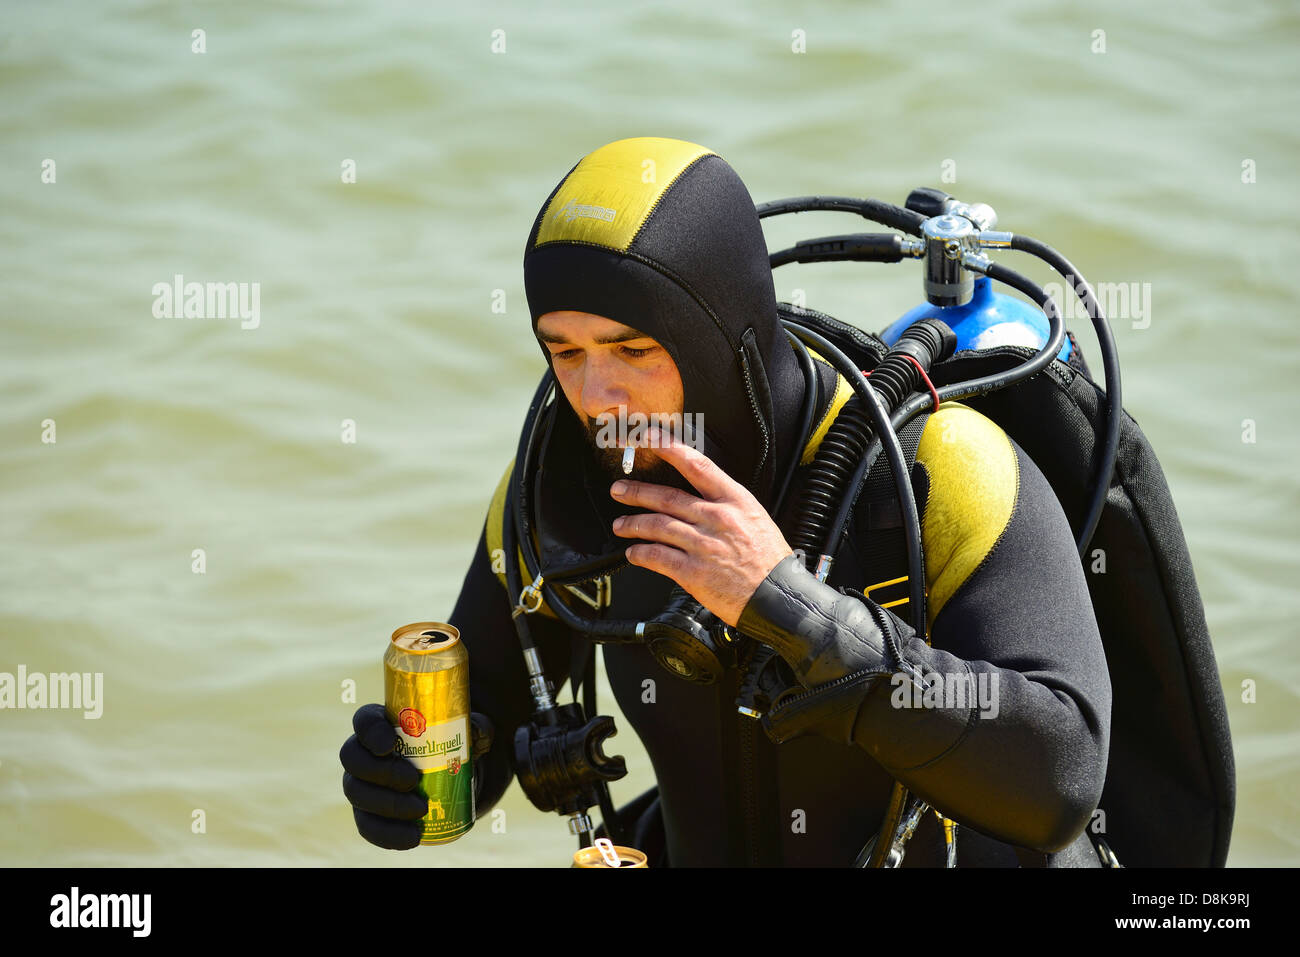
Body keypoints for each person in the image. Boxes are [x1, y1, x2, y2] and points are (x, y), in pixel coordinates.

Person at [340, 136, 1113, 867]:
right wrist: (412, 784)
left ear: (716, 336)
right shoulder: (558, 487)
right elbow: (493, 723)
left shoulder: (934, 469)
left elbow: (1062, 777)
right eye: (564, 350)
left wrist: (789, 604)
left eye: (632, 349)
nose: (595, 396)